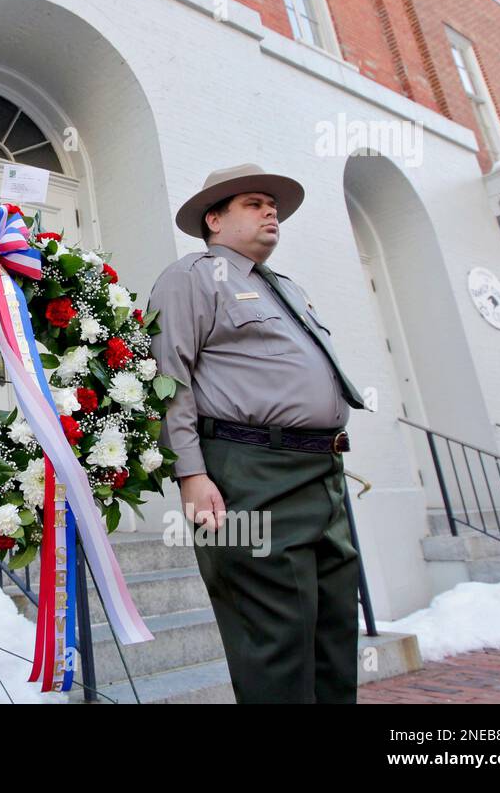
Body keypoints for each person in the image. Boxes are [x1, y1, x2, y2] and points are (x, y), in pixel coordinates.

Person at [146, 163, 366, 703]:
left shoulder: (285, 289)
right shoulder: (191, 276)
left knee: (334, 639)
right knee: (276, 649)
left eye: (272, 204)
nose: (271, 211)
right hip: (249, 474)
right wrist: (191, 473)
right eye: (253, 203)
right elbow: (166, 379)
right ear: (214, 219)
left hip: (322, 475)